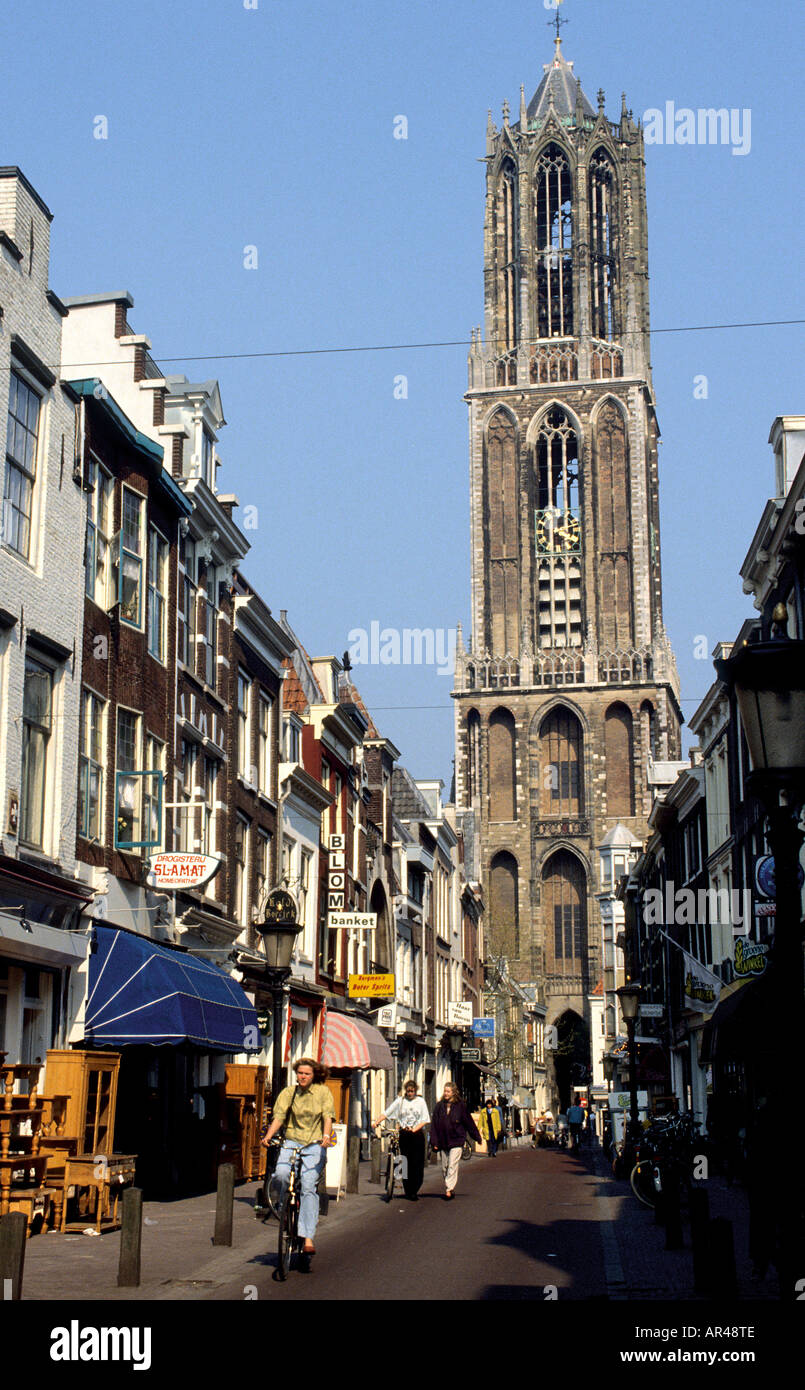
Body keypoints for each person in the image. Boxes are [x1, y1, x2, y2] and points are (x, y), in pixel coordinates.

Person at [261, 1057, 335, 1264]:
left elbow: (328, 1117)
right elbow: (279, 1117)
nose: (302, 1077)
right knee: (281, 1174)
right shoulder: (288, 1093)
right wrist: (268, 1136)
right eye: (300, 1073)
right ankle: (283, 1205)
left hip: (314, 1144)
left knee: (309, 1184)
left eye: (307, 1074)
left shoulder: (323, 1093)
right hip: (291, 1142)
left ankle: (308, 1236)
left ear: (314, 1076)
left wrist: (326, 1137)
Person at [371, 1078, 430, 1200]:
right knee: (405, 1161)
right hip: (404, 1133)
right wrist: (376, 1122)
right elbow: (387, 1112)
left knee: (417, 1163)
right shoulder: (400, 1101)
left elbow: (425, 1119)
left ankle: (415, 1188)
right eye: (408, 1091)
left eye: (412, 1091)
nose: (410, 1094)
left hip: (417, 1134)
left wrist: (415, 1129)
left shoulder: (421, 1102)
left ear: (415, 1091)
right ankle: (408, 1190)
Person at [429, 1081, 482, 1198]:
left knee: (452, 1165)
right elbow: (434, 1125)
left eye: (448, 1091)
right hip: (443, 1141)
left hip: (457, 1140)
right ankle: (450, 1187)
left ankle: (448, 1189)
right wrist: (434, 1142)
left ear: (453, 1092)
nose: (446, 1093)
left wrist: (477, 1137)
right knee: (445, 1167)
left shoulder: (460, 1106)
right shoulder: (439, 1106)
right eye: (445, 1091)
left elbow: (469, 1123)